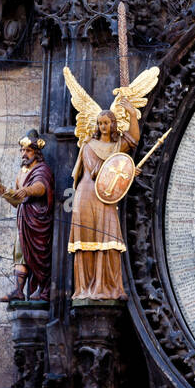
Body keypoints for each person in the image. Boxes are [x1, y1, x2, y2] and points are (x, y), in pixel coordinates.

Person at [68, 107, 137, 300]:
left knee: (110, 237)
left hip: (107, 196)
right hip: (88, 193)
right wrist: (125, 169)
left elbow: (133, 139)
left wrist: (131, 114)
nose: (103, 126)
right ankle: (86, 288)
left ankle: (110, 287)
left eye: (106, 123)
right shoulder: (89, 145)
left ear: (113, 124)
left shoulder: (116, 147)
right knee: (88, 239)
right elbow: (96, 171)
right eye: (100, 123)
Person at [0, 130, 54, 302]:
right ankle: (19, 290)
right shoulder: (22, 172)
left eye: (28, 150)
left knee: (39, 257)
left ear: (36, 152)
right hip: (24, 219)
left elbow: (41, 187)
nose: (23, 154)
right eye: (22, 150)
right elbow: (18, 200)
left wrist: (27, 190)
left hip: (38, 220)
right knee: (20, 253)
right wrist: (3, 191)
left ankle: (44, 287)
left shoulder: (43, 169)